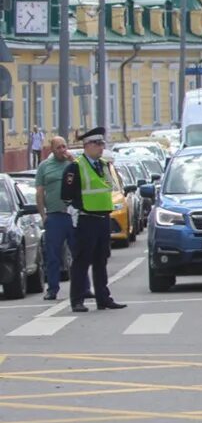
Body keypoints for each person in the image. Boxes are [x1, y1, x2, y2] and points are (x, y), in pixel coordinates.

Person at [60, 128, 125, 312]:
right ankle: (78, 300)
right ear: (87, 145)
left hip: (103, 218)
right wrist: (77, 210)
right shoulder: (76, 167)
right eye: (97, 144)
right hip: (85, 219)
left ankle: (103, 298)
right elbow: (66, 194)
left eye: (102, 144)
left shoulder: (103, 165)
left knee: (101, 260)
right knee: (81, 261)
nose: (101, 147)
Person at [33, 134, 75, 302]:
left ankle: (84, 287)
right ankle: (52, 289)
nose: (62, 150)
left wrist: (73, 161)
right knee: (53, 255)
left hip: (72, 215)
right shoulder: (45, 167)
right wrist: (43, 214)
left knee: (78, 254)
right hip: (54, 216)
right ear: (52, 150)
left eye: (64, 146)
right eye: (58, 147)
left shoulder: (73, 164)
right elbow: (39, 192)